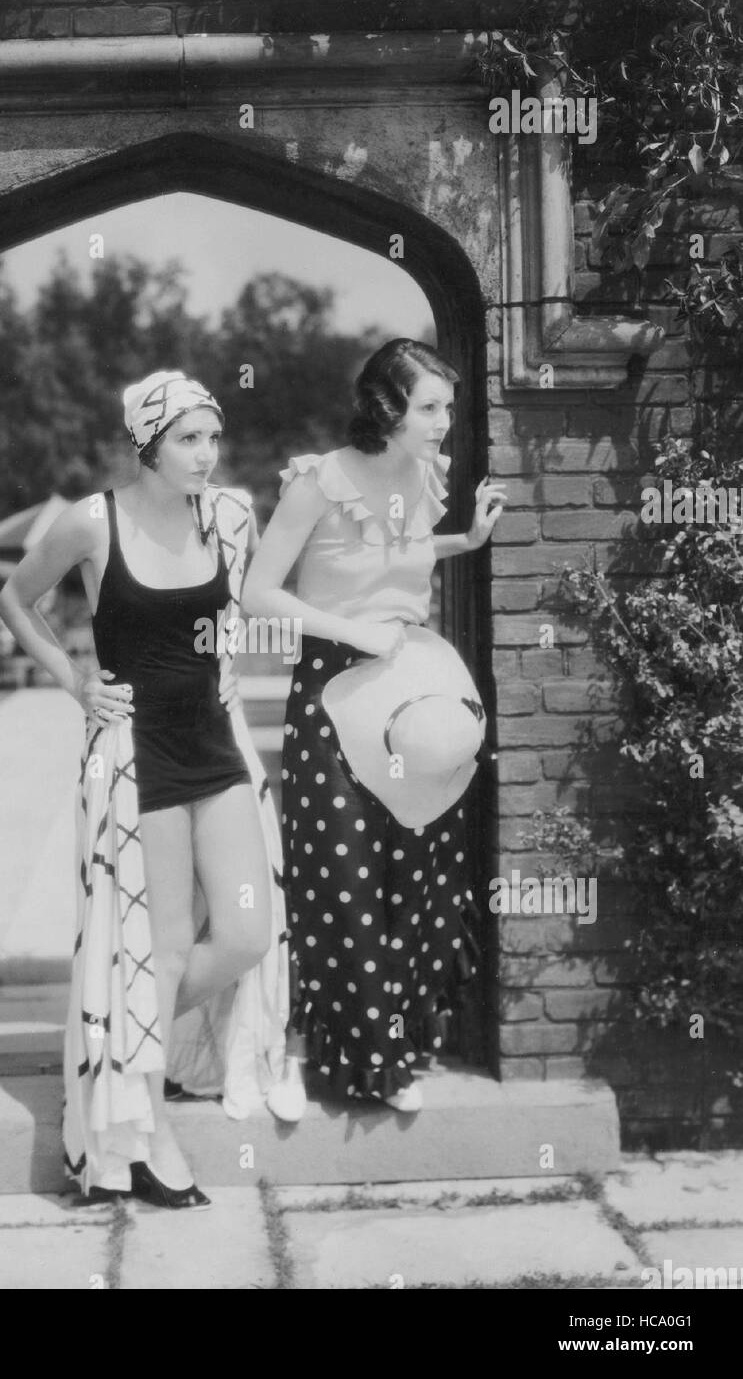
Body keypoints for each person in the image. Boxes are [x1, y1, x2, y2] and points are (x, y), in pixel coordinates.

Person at [0, 371, 289, 1209]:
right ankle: (147, 1121)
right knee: (159, 944)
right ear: (147, 444)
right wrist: (74, 680)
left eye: (212, 437)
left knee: (243, 931)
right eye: (190, 439)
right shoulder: (91, 522)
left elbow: (244, 611)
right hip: (135, 749)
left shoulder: (225, 514)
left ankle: (120, 1046)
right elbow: (15, 600)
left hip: (211, 738)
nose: (208, 454)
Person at [241, 338, 506, 1120]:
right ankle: (296, 1050)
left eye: (446, 407)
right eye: (429, 407)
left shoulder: (426, 479)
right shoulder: (318, 481)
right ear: (387, 408)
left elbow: (403, 555)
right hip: (332, 688)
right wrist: (350, 633)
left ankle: (390, 1050)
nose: (443, 422)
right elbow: (258, 593)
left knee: (410, 869)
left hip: (411, 689)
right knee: (335, 876)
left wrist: (468, 541)